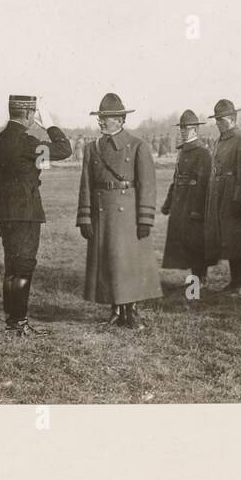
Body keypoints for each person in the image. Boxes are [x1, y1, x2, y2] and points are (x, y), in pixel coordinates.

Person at [75, 92, 161, 329]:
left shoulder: (137, 146)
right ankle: (115, 310)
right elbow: (86, 184)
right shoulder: (93, 148)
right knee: (108, 263)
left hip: (128, 215)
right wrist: (85, 216)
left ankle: (131, 311)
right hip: (102, 214)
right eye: (100, 117)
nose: (101, 121)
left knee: (127, 263)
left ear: (121, 120)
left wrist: (145, 218)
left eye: (107, 117)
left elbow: (147, 184)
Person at [0, 94, 72, 336]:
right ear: (27, 114)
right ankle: (18, 322)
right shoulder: (27, 142)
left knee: (11, 266)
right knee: (24, 266)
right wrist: (51, 125)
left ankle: (11, 320)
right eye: (34, 114)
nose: (34, 118)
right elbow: (64, 150)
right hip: (25, 211)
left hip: (5, 209)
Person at [161, 109, 213, 297]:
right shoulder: (182, 152)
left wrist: (198, 210)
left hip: (193, 207)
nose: (185, 131)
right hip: (180, 205)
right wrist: (168, 203)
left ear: (196, 130)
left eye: (189, 128)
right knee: (186, 247)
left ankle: (200, 283)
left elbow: (204, 184)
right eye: (183, 128)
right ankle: (194, 282)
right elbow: (176, 179)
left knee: (196, 246)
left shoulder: (203, 153)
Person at [205, 99, 241, 293]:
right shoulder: (220, 140)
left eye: (222, 119)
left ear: (233, 119)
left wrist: (238, 199)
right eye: (217, 119)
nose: (218, 123)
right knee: (227, 239)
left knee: (237, 239)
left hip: (232, 196)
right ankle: (235, 280)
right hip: (220, 194)